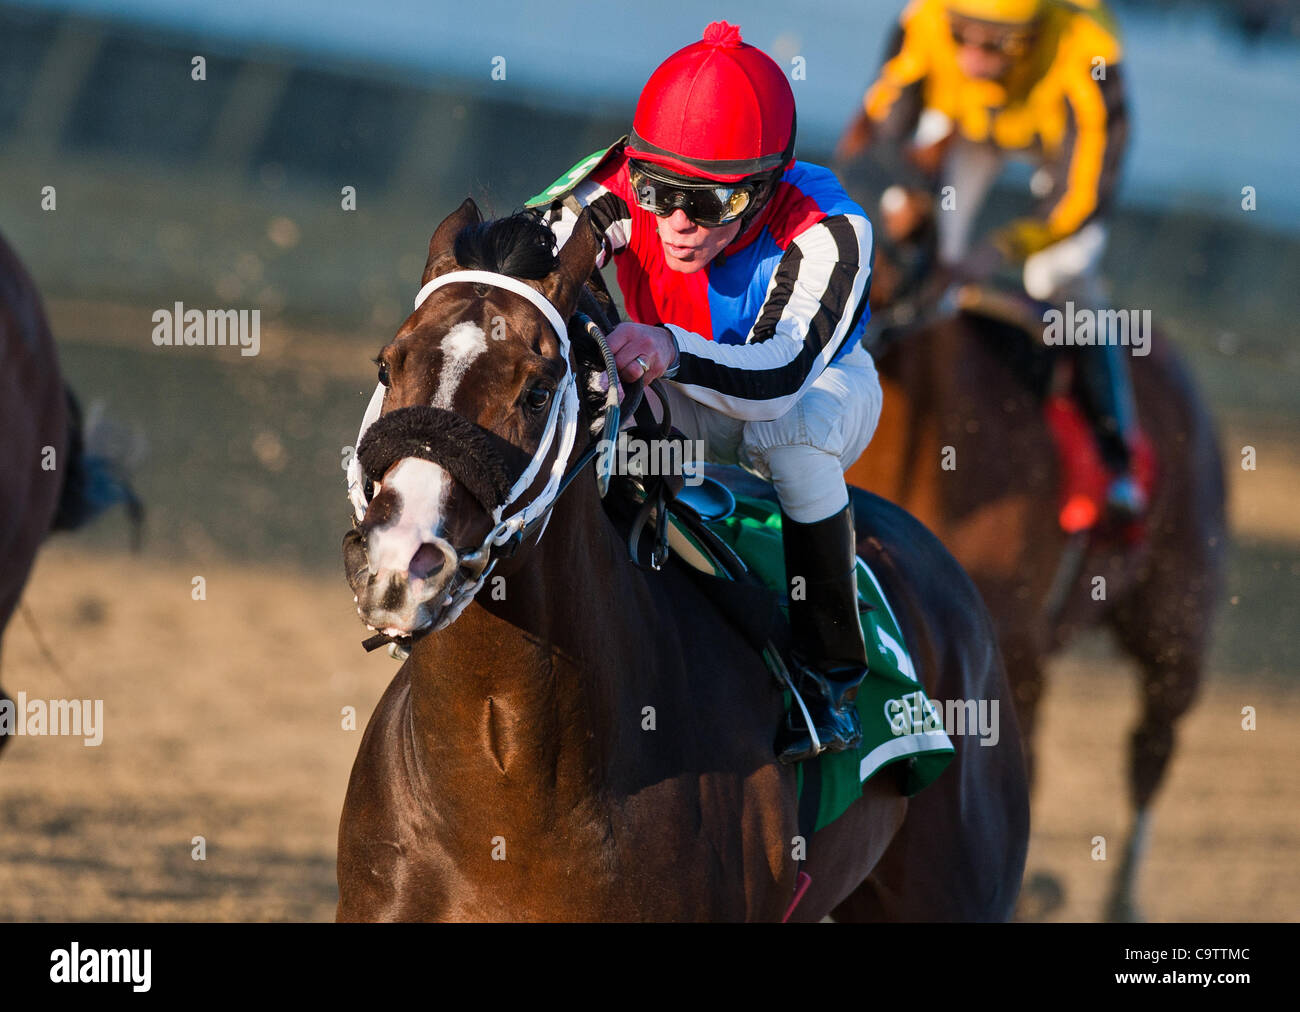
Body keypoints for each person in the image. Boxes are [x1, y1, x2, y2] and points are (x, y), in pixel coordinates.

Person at [533, 21, 880, 764]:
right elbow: (523, 262)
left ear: (764, 190)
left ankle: (828, 678)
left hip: (814, 388)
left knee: (787, 441)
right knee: (589, 405)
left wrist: (666, 344)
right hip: (678, 378)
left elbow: (779, 377)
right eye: (659, 193)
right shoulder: (617, 185)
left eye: (711, 205)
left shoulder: (831, 227)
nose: (678, 223)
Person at [837, 0, 1145, 518]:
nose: (975, 56)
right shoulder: (925, 20)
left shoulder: (1088, 52)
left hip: (1059, 149)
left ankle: (1116, 454)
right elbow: (885, 134)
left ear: (1038, 31)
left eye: (999, 43)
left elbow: (1082, 195)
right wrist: (904, 196)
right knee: (934, 261)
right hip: (966, 129)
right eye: (963, 35)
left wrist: (999, 249)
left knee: (1061, 275)